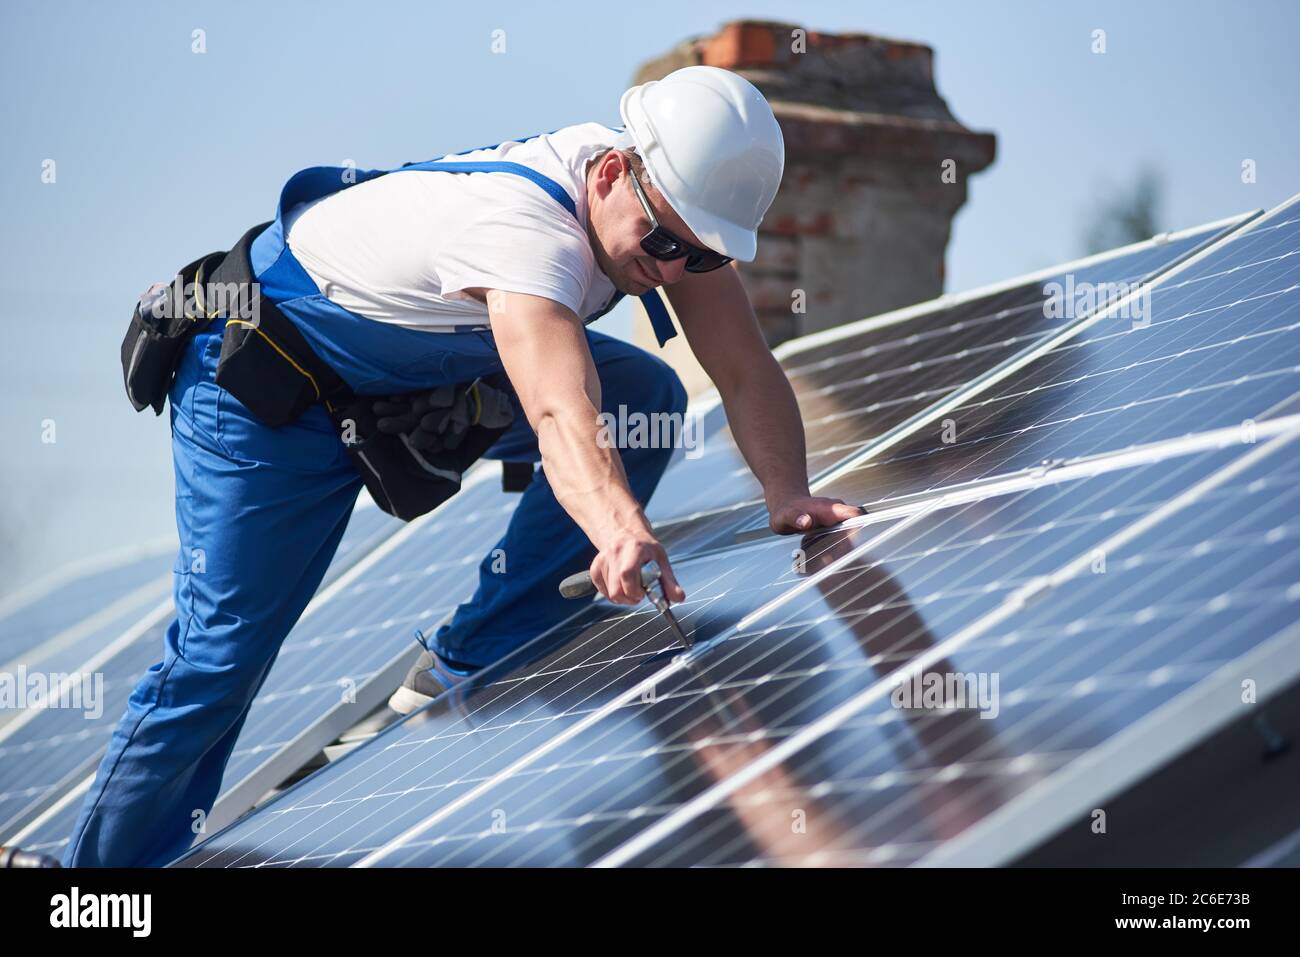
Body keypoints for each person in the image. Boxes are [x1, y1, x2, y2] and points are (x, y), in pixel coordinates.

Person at [64, 65, 862, 867]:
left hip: (405, 378)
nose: (674, 270)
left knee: (645, 395)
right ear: (613, 172)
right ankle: (99, 883)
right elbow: (560, 413)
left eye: (702, 255)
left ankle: (473, 652)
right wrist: (619, 529)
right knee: (219, 659)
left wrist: (787, 491)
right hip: (261, 387)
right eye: (661, 244)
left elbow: (744, 367)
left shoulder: (660, 210)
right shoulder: (526, 232)